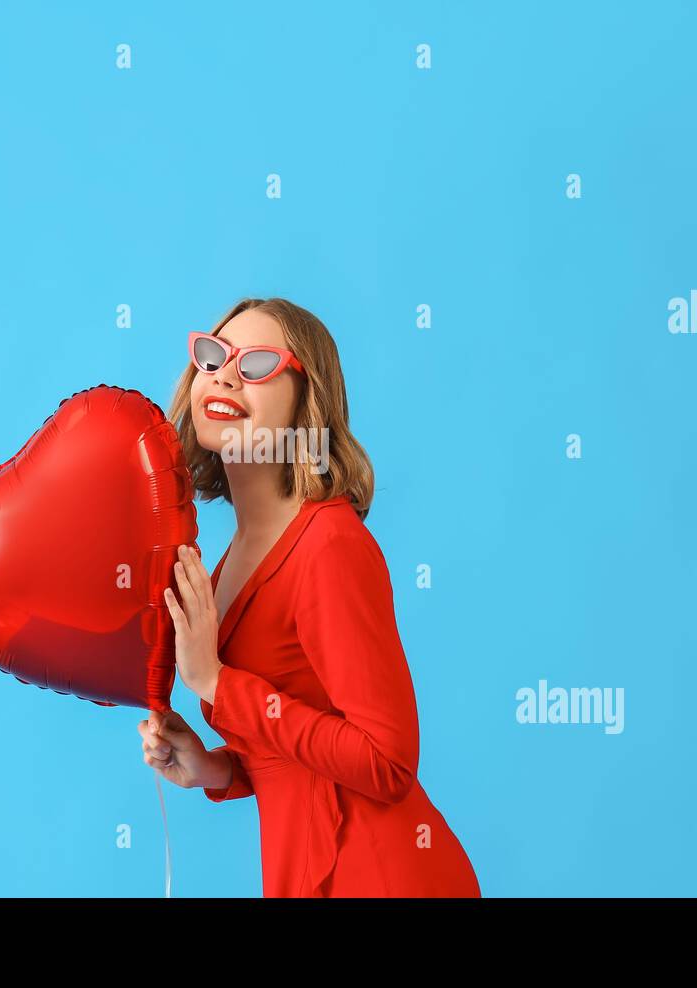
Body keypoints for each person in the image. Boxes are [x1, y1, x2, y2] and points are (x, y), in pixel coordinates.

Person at [137, 297, 481, 897]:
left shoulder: (329, 543)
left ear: (307, 399)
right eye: (213, 356)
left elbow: (387, 763)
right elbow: (302, 749)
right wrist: (215, 768)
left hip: (379, 876)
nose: (223, 374)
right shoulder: (232, 559)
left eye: (258, 363)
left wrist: (217, 684)